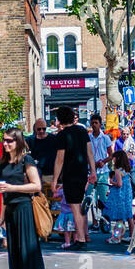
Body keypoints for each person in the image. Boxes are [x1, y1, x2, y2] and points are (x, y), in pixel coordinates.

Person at [0, 128, 47, 269]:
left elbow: (36, 186)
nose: (5, 143)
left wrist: (12, 188)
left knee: (28, 250)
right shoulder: (4, 162)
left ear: (18, 141)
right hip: (10, 209)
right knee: (15, 252)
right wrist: (1, 216)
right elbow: (3, 193)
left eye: (10, 140)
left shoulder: (27, 160)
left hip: (25, 208)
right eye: (4, 140)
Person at [51, 106, 97, 249]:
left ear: (60, 119)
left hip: (70, 174)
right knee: (79, 205)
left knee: (75, 207)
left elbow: (60, 159)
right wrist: (93, 171)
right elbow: (90, 152)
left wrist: (54, 180)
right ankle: (82, 236)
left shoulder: (62, 136)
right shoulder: (82, 131)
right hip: (82, 172)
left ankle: (80, 239)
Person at [105, 149, 135, 243]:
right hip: (127, 196)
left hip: (120, 197)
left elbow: (119, 184)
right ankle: (132, 236)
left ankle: (116, 238)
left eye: (113, 158)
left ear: (117, 158)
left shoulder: (117, 171)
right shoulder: (126, 170)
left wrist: (111, 182)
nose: (112, 160)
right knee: (129, 216)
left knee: (119, 219)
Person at [28, 119, 59, 189]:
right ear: (35, 128)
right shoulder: (30, 140)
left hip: (51, 174)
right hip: (37, 175)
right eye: (39, 129)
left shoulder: (53, 139)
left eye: (44, 129)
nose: (41, 131)